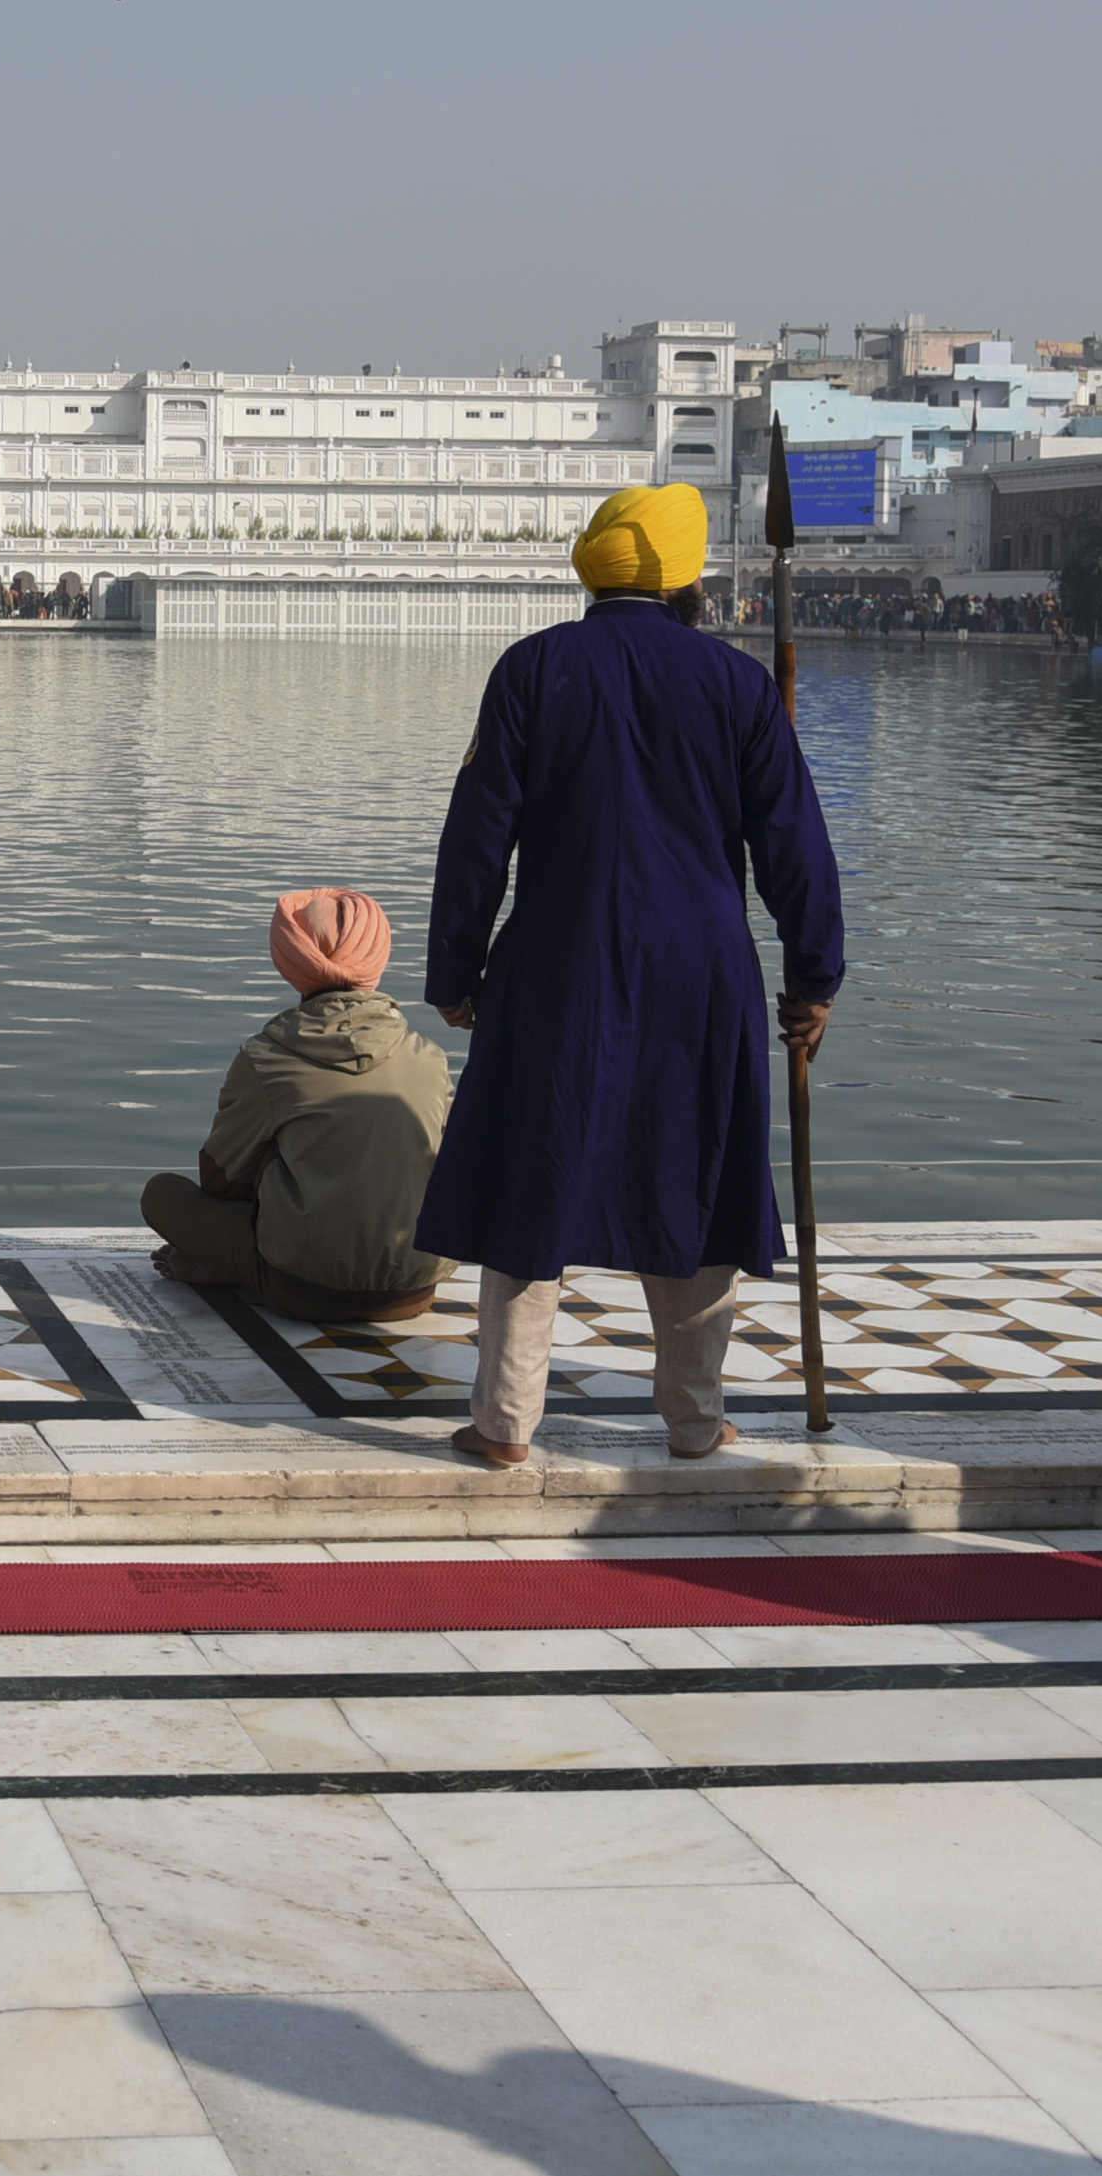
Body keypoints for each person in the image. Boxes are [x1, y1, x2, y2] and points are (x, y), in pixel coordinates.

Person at [412, 483, 843, 1466]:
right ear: (689, 581)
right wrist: (814, 975)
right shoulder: (735, 684)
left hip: (559, 964)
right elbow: (795, 845)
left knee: (533, 1177)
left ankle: (503, 1421)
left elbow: (477, 838)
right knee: (694, 1176)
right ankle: (693, 1419)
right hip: (701, 974)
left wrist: (455, 967)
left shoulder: (533, 669)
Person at [139, 888, 453, 1324]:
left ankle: (235, 1267)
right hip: (417, 1287)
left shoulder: (266, 1057)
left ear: (288, 959)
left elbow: (221, 1177)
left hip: (301, 1288)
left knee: (161, 1193)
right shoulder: (429, 1056)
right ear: (378, 955)